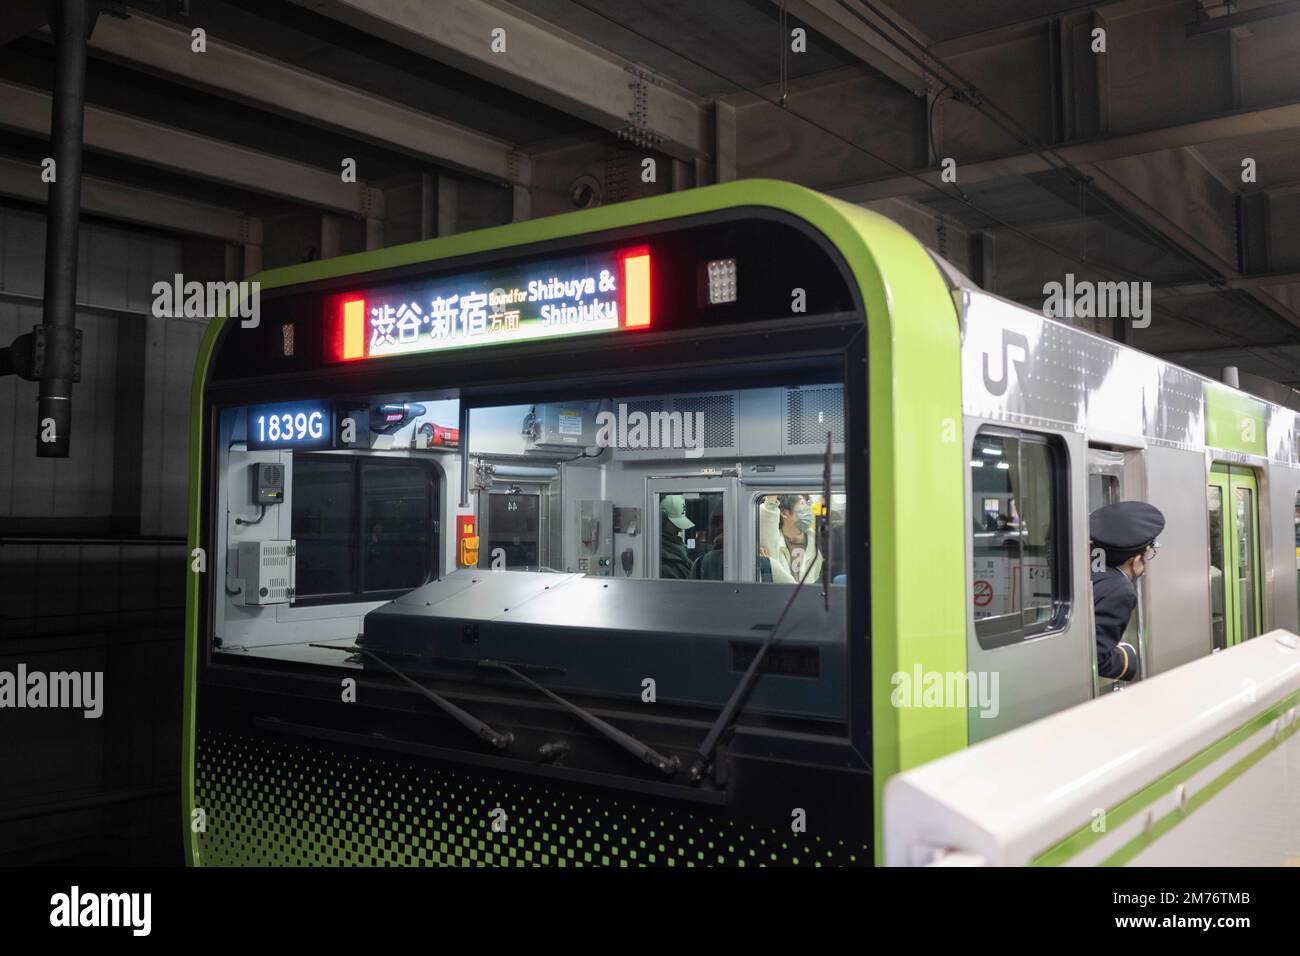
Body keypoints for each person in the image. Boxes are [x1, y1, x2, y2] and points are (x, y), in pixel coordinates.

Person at [1089, 500, 1164, 682]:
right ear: (1136, 560)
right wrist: (1127, 655)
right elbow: (1096, 658)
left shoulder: (1083, 570)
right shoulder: (1120, 590)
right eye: (1148, 555)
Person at [757, 494, 823, 584]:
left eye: (809, 503)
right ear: (784, 513)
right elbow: (768, 514)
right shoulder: (774, 543)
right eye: (802, 503)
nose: (808, 508)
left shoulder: (819, 544)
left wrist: (775, 568)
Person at [659, 494, 694, 579]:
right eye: (675, 524)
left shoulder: (678, 551)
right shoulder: (663, 560)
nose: (679, 529)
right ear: (662, 520)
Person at [691, 513, 724, 580]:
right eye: (716, 522)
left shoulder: (701, 563)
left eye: (725, 521)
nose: (720, 527)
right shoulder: (701, 564)